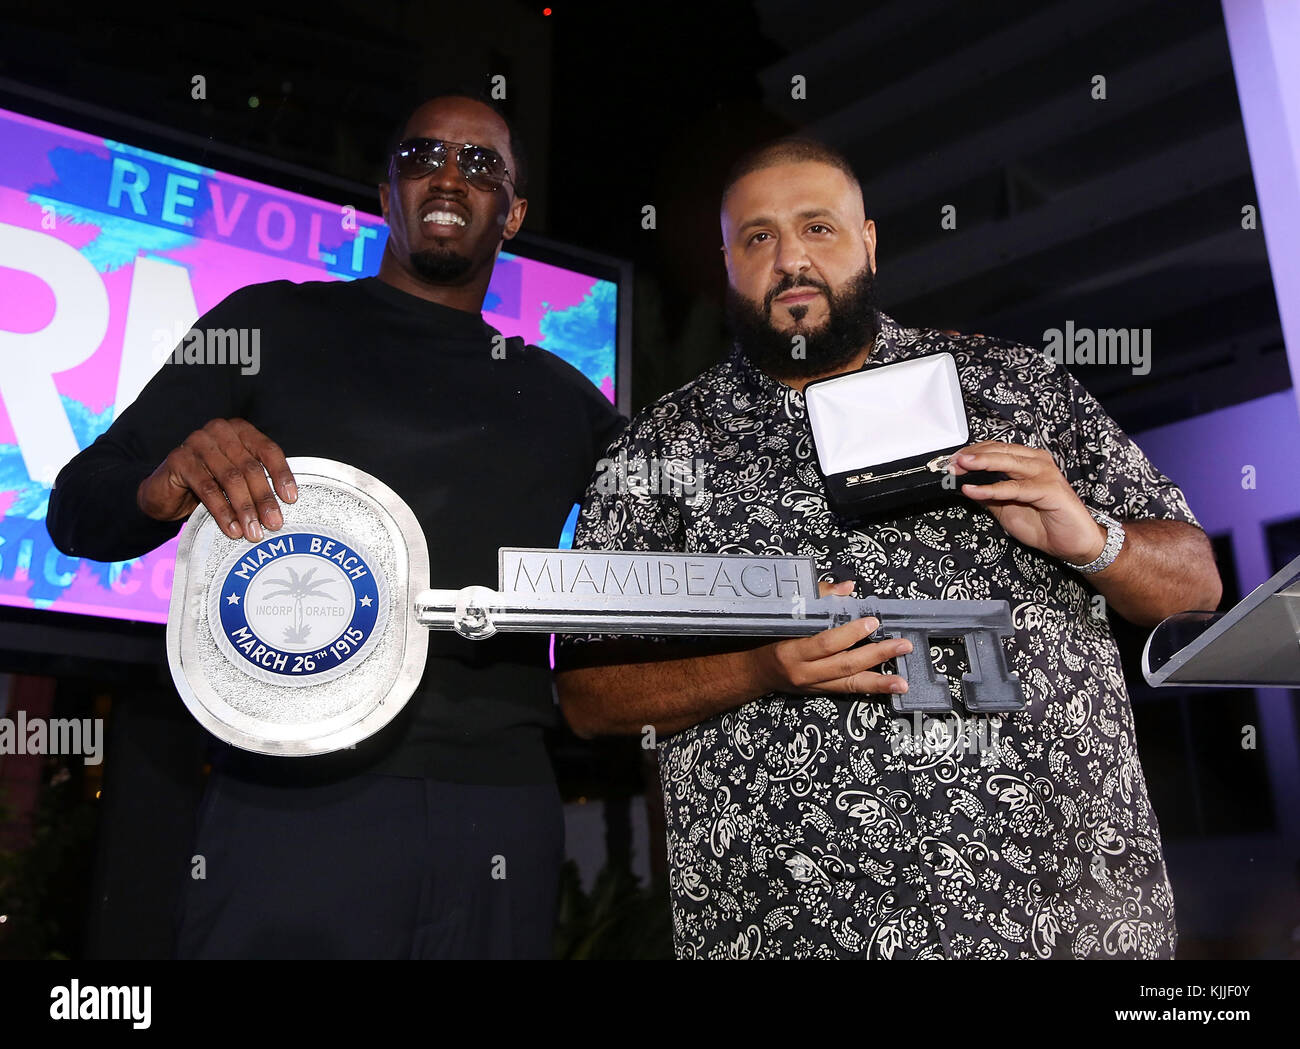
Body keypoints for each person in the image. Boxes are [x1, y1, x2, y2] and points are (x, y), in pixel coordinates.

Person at [553, 137, 1221, 960]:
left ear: (868, 241)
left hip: (1064, 915)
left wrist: (1090, 538)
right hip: (784, 928)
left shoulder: (1015, 385)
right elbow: (586, 692)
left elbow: (1196, 588)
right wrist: (759, 669)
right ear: (724, 262)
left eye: (818, 228)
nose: (791, 257)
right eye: (758, 237)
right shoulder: (661, 447)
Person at [48, 93, 624, 959]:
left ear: (515, 213)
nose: (448, 176)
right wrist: (165, 484)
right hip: (290, 800)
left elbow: (687, 542)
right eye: (422, 155)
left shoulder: (565, 400)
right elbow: (76, 506)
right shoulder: (268, 324)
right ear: (383, 190)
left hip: (500, 810)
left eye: (481, 166)